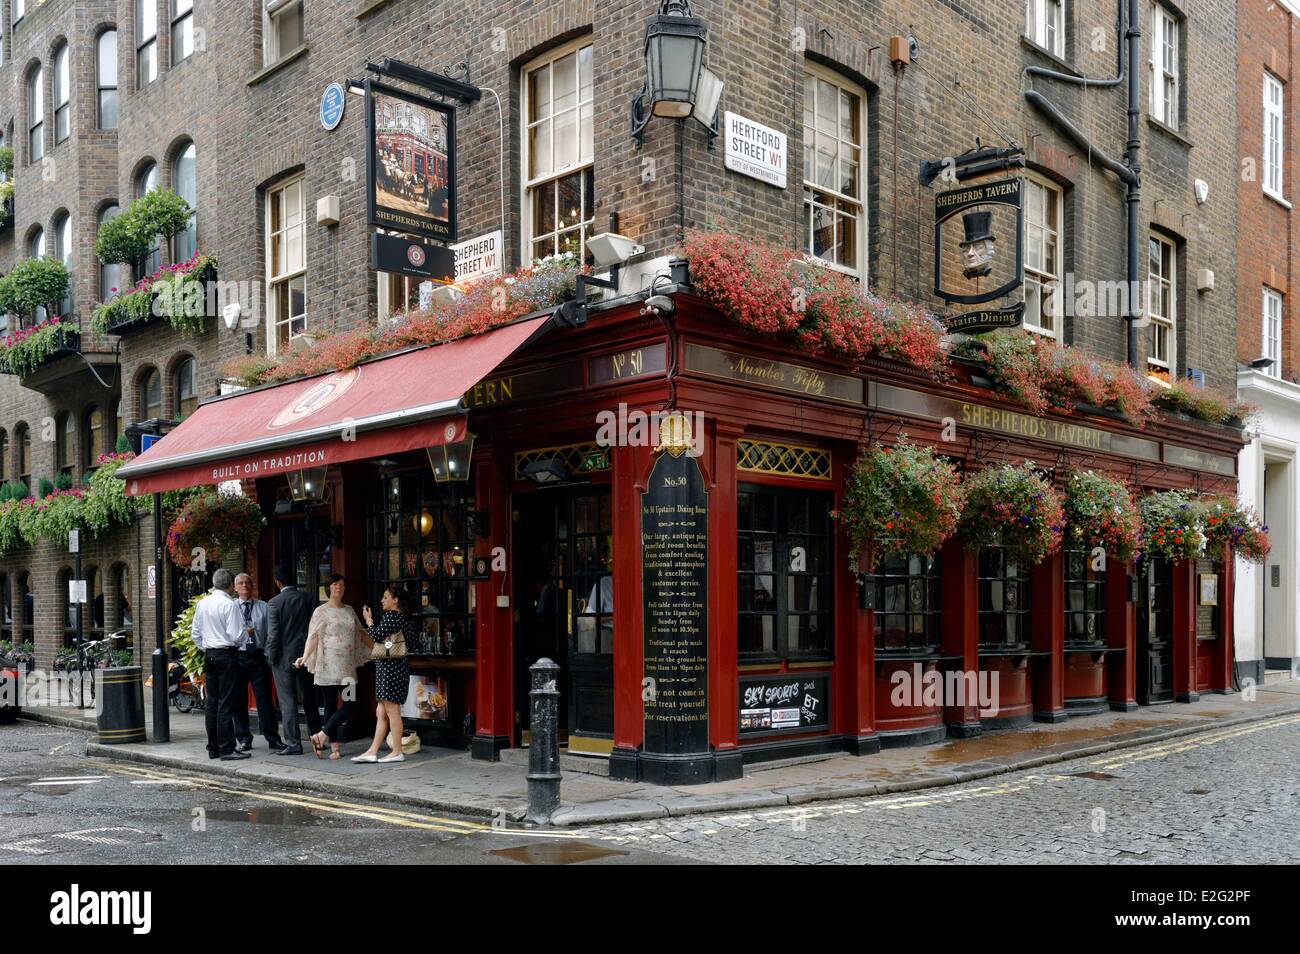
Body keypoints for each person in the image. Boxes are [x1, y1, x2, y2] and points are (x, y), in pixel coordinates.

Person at [296, 573, 372, 760]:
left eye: (342, 585)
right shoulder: (320, 611)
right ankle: (334, 747)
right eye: (335, 584)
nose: (339, 588)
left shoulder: (349, 610)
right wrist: (305, 657)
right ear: (328, 587)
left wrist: (378, 649)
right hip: (327, 666)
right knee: (330, 705)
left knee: (351, 703)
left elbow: (361, 634)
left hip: (346, 668)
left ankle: (321, 736)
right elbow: (313, 637)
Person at [352, 586, 416, 764]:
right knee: (381, 711)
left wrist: (369, 620)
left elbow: (377, 636)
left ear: (395, 600)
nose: (382, 600)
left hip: (390, 669)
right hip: (393, 667)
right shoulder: (401, 618)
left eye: (386, 597)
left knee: (392, 710)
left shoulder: (392, 616)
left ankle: (397, 751)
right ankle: (372, 751)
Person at [192, 568, 250, 761]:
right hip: (226, 655)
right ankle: (226, 749)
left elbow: (196, 635)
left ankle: (213, 748)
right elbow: (235, 635)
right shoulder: (229, 604)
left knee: (211, 703)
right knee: (226, 703)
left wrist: (208, 648)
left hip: (209, 655)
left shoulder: (202, 603)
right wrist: (246, 635)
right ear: (230, 585)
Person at [266, 564, 319, 756]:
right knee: (309, 698)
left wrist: (270, 658)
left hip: (283, 658)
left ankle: (294, 743)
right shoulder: (308, 598)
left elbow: (273, 635)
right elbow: (315, 628)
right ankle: (317, 738)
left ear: (277, 581)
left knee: (287, 700)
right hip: (306, 655)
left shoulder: (274, 603)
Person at [230, 573, 284, 753]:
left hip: (258, 656)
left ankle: (273, 738)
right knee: (239, 700)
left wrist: (268, 655)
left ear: (252, 587)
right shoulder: (230, 608)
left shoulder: (264, 607)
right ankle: (244, 738)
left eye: (247, 582)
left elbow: (272, 634)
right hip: (238, 656)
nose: (244, 585)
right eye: (240, 583)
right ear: (235, 588)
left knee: (265, 700)